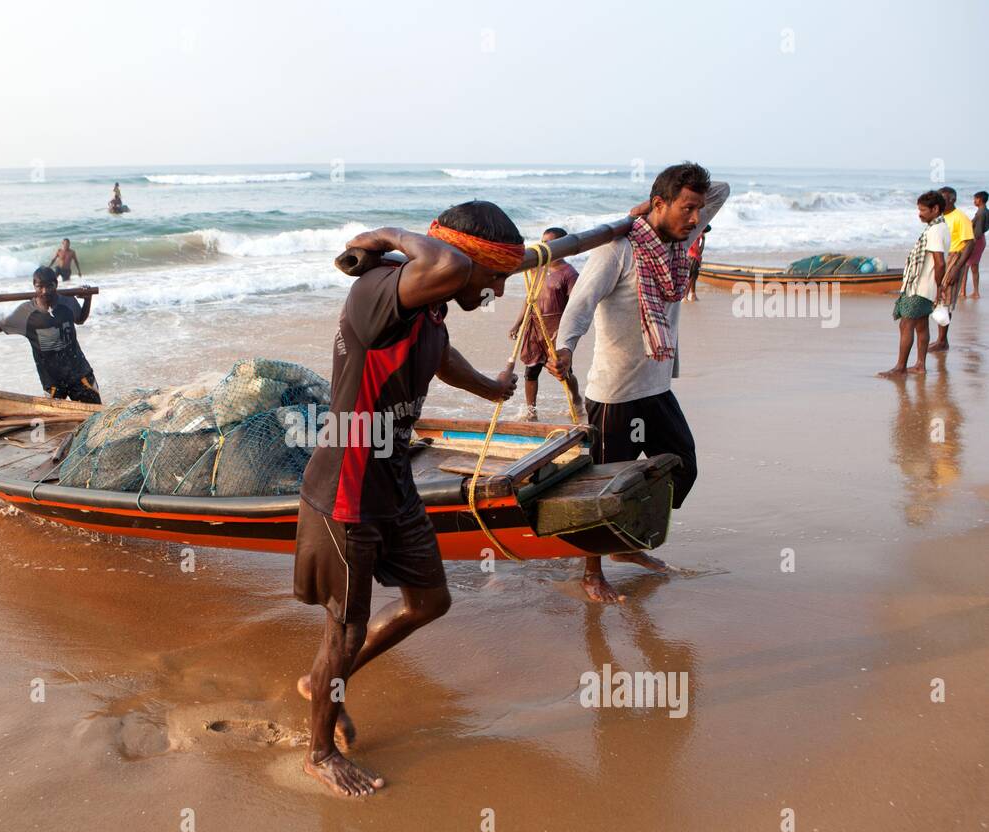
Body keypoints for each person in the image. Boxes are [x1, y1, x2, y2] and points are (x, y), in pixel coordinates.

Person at [292, 202, 520, 797]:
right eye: (494, 276)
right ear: (461, 260)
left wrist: (491, 388)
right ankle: (318, 752)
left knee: (430, 601)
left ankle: (326, 686)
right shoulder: (376, 291)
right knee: (342, 632)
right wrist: (381, 233)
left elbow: (439, 357)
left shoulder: (427, 307)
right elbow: (444, 258)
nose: (496, 290)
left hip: (392, 479)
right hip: (345, 485)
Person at [553, 162, 729, 603]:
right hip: (615, 393)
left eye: (697, 210)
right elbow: (581, 302)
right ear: (660, 204)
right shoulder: (618, 249)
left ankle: (626, 546)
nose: (695, 218)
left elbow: (724, 191)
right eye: (687, 208)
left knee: (681, 467)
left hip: (656, 386)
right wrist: (564, 348)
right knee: (603, 486)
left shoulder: (679, 237)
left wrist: (641, 209)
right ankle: (592, 571)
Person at [0, 267, 100, 402]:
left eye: (49, 286)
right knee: (57, 425)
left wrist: (88, 299)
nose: (45, 291)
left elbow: (80, 319)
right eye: (40, 286)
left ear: (56, 284)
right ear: (34, 286)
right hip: (52, 382)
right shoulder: (26, 312)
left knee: (95, 417)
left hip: (80, 375)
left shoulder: (68, 301)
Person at [508, 226, 580, 421]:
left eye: (548, 243)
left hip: (556, 328)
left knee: (563, 371)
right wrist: (518, 323)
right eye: (542, 242)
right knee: (531, 370)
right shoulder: (536, 268)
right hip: (534, 326)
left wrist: (563, 333)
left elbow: (574, 307)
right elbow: (529, 297)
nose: (543, 247)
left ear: (561, 247)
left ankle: (576, 399)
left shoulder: (569, 274)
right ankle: (531, 411)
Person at [881, 192, 949, 378]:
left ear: (935, 209)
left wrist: (939, 288)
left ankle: (900, 368)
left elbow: (940, 262)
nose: (919, 214)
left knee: (906, 324)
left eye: (923, 210)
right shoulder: (940, 226)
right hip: (926, 286)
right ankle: (920, 365)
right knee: (921, 325)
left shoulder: (935, 230)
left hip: (921, 286)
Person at [932, 186, 973, 352]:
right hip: (942, 257)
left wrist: (957, 268)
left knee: (946, 301)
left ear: (953, 199)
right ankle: (940, 339)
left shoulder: (960, 217)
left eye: (944, 199)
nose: (940, 202)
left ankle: (942, 340)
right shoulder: (941, 217)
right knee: (939, 298)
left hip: (954, 257)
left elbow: (970, 243)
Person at [963, 190, 986, 300]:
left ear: (980, 199)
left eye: (975, 199)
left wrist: (971, 242)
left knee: (969, 266)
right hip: (980, 240)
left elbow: (978, 230)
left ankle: (970, 292)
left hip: (976, 240)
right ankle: (967, 291)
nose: (974, 201)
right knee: (970, 266)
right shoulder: (984, 211)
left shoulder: (981, 213)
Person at [684, 224, 711, 301]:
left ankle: (693, 295)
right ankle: (685, 296)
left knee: (694, 277)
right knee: (691, 277)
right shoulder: (695, 238)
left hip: (693, 258)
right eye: (703, 232)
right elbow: (699, 251)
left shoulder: (695, 236)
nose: (704, 234)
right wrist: (703, 240)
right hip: (693, 258)